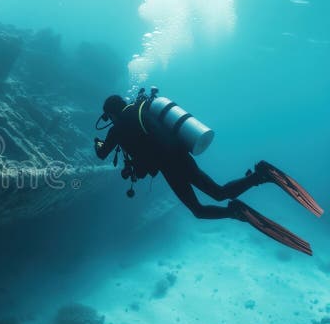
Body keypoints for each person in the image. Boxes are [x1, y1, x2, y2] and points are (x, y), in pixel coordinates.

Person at [94, 94, 323, 255]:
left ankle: (237, 212)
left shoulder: (116, 129)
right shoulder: (142, 109)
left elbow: (103, 154)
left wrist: (98, 143)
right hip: (181, 156)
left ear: (110, 113)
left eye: (108, 117)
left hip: (169, 166)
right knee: (218, 192)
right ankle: (261, 175)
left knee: (198, 210)